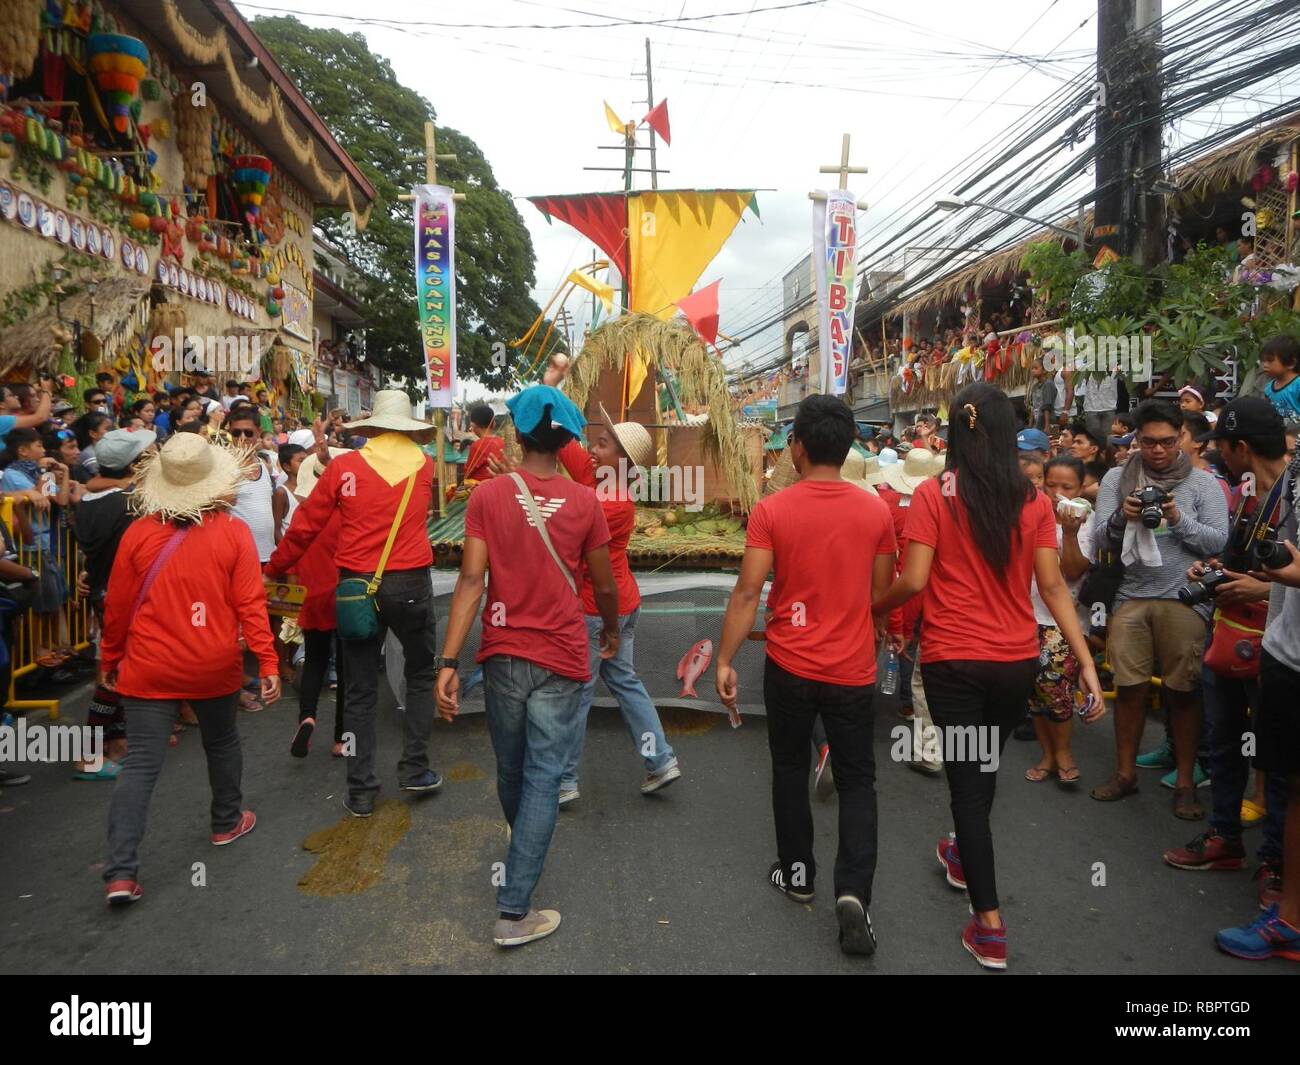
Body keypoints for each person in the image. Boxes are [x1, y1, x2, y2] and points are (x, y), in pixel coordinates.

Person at [873, 383, 1105, 970]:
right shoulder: (1031, 501)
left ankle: (990, 925)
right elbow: (1052, 588)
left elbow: (915, 580)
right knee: (982, 770)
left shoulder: (933, 493)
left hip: (954, 664)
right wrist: (1085, 661)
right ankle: (958, 853)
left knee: (968, 789)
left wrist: (875, 607)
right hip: (1015, 662)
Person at [436, 385, 618, 948]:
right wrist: (610, 629)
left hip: (502, 654)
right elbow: (603, 582)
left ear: (515, 432)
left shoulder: (488, 497)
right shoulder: (587, 502)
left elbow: (471, 581)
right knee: (542, 777)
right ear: (566, 441)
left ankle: (521, 864)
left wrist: (447, 661)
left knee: (514, 770)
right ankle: (515, 909)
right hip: (563, 654)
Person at [718, 394, 898, 956]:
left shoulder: (773, 510)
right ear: (847, 448)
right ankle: (854, 895)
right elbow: (880, 594)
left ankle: (798, 876)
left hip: (789, 665)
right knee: (858, 780)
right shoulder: (875, 512)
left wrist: (724, 659)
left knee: (790, 766)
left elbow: (749, 592)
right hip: (851, 669)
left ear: (796, 445)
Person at [100, 433, 280, 905]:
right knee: (221, 741)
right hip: (213, 665)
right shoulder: (233, 533)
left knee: (140, 765)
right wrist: (267, 661)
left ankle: (120, 873)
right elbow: (251, 604)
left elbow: (116, 608)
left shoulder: (137, 534)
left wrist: (109, 658)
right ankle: (226, 822)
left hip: (148, 667)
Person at [267, 390, 441, 817]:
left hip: (355, 587)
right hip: (411, 584)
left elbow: (306, 527)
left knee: (360, 688)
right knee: (419, 675)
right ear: (407, 428)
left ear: (373, 426)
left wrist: (274, 568)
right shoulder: (425, 465)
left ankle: (362, 788)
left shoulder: (346, 467)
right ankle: (415, 768)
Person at [1161, 399, 1290, 912]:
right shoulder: (1244, 493)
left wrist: (1257, 591)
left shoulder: (1294, 495)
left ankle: (1277, 863)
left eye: (1224, 449)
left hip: (1279, 644)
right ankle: (1225, 838)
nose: (1220, 457)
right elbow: (1244, 559)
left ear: (1241, 447)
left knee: (1277, 761)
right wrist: (1216, 570)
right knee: (1225, 743)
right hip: (1228, 637)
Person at [1090, 400, 1230, 817]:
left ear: (1181, 440)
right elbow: (1100, 539)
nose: (1157, 450)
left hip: (1183, 598)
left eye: (1167, 442)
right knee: (1129, 690)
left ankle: (1186, 782)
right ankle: (1125, 774)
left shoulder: (1203, 485)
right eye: (1148, 442)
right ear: (1136, 439)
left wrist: (1176, 515)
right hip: (1130, 595)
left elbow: (1217, 543)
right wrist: (1121, 516)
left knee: (1183, 692)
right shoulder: (1117, 478)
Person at [551, 404, 679, 802]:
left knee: (579, 691)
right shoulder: (598, 475)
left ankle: (565, 781)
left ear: (621, 461)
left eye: (603, 444)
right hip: (620, 603)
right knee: (625, 682)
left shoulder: (612, 502)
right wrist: (554, 385)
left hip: (601, 609)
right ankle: (660, 761)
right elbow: (561, 436)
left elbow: (563, 538)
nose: (593, 447)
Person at [1215, 424, 1300, 959]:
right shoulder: (1291, 480)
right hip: (1288, 650)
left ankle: (1289, 918)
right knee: (1292, 788)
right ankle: (1289, 914)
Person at [72, 429, 158, 779]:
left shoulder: (89, 501)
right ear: (136, 464)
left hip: (102, 594)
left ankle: (118, 741)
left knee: (118, 670)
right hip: (124, 597)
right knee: (112, 676)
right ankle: (87, 754)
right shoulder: (132, 503)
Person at [1024, 456, 1093, 785]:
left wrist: (1069, 532)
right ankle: (1048, 754)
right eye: (1050, 485)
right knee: (1033, 689)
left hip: (1063, 621)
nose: (1057, 493)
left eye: (1067, 487)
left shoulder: (1086, 521)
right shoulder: (1030, 514)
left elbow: (1073, 571)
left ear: (1081, 489)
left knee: (1055, 687)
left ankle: (1063, 752)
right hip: (1026, 614)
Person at [1259, 334, 1300, 423]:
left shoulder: (1298, 385)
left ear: (1290, 363)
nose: (1265, 365)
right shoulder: (1269, 388)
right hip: (1278, 433)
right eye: (1264, 361)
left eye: (1270, 360)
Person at [1026, 360, 1057, 432]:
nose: (1033, 371)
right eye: (1032, 368)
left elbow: (1047, 406)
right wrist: (1030, 425)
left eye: (1036, 368)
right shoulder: (1035, 387)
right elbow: (1033, 407)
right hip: (1038, 424)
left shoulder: (1048, 384)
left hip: (1047, 423)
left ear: (1044, 370)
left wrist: (1047, 426)